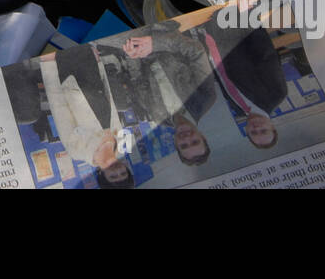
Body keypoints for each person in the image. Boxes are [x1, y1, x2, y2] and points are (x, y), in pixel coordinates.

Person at [102, 21, 218, 165]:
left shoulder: (158, 117)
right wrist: (154, 43)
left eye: (184, 145)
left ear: (176, 144)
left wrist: (132, 54)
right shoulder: (206, 99)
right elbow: (196, 51)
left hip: (133, 43)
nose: (187, 138)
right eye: (195, 141)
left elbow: (138, 79)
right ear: (203, 136)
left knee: (99, 37)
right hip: (162, 31)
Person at [41, 44, 133, 185]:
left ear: (102, 175)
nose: (117, 171)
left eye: (113, 177)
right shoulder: (120, 143)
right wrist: (98, 63)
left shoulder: (78, 151)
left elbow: (58, 108)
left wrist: (48, 65)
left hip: (67, 75)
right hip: (91, 70)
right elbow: (110, 103)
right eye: (123, 173)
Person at [198, 18, 287, 149]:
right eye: (263, 130)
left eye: (253, 132)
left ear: (246, 130)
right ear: (272, 126)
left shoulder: (238, 108)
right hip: (229, 26)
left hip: (207, 37)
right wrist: (246, 17)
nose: (256, 128)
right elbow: (265, 53)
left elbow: (222, 75)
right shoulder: (277, 95)